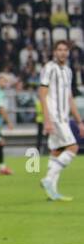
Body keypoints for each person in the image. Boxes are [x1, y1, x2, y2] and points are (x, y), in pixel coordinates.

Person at [39, 39, 80, 201]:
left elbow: (69, 98)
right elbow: (42, 94)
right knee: (73, 148)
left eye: (65, 50)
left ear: (68, 52)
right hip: (55, 117)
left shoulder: (68, 71)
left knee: (56, 152)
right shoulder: (49, 68)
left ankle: (52, 193)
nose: (63, 52)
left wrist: (79, 121)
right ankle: (48, 179)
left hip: (64, 117)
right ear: (54, 52)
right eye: (60, 49)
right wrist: (47, 119)